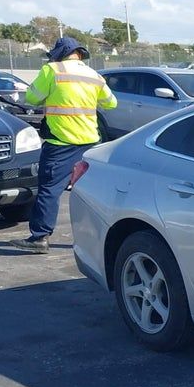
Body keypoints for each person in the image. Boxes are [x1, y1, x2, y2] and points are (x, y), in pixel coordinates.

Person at [10, 37, 117, 253]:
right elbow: (111, 103)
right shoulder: (94, 75)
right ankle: (99, 238)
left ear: (61, 53)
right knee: (91, 192)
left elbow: (32, 97)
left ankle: (40, 238)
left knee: (50, 189)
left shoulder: (53, 70)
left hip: (61, 143)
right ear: (79, 54)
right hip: (90, 143)